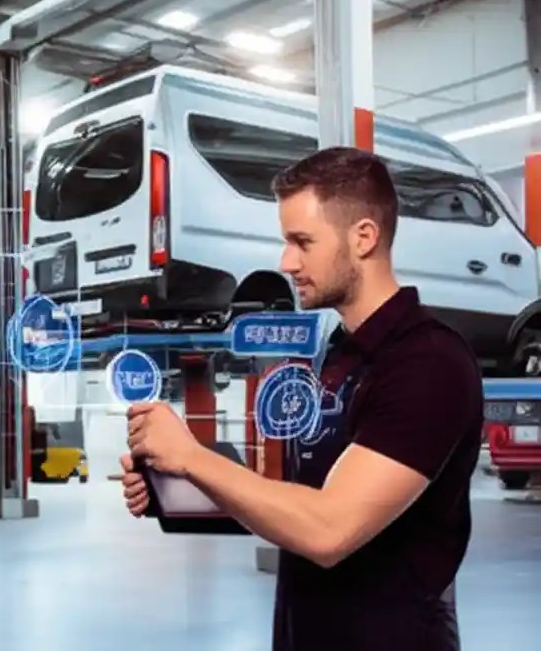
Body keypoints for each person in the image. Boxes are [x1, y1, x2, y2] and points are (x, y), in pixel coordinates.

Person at [120, 147, 484, 651]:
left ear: (364, 237)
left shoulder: (427, 362)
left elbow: (329, 528)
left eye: (302, 242)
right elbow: (296, 502)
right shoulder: (339, 355)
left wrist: (193, 456)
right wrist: (177, 485)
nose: (286, 262)